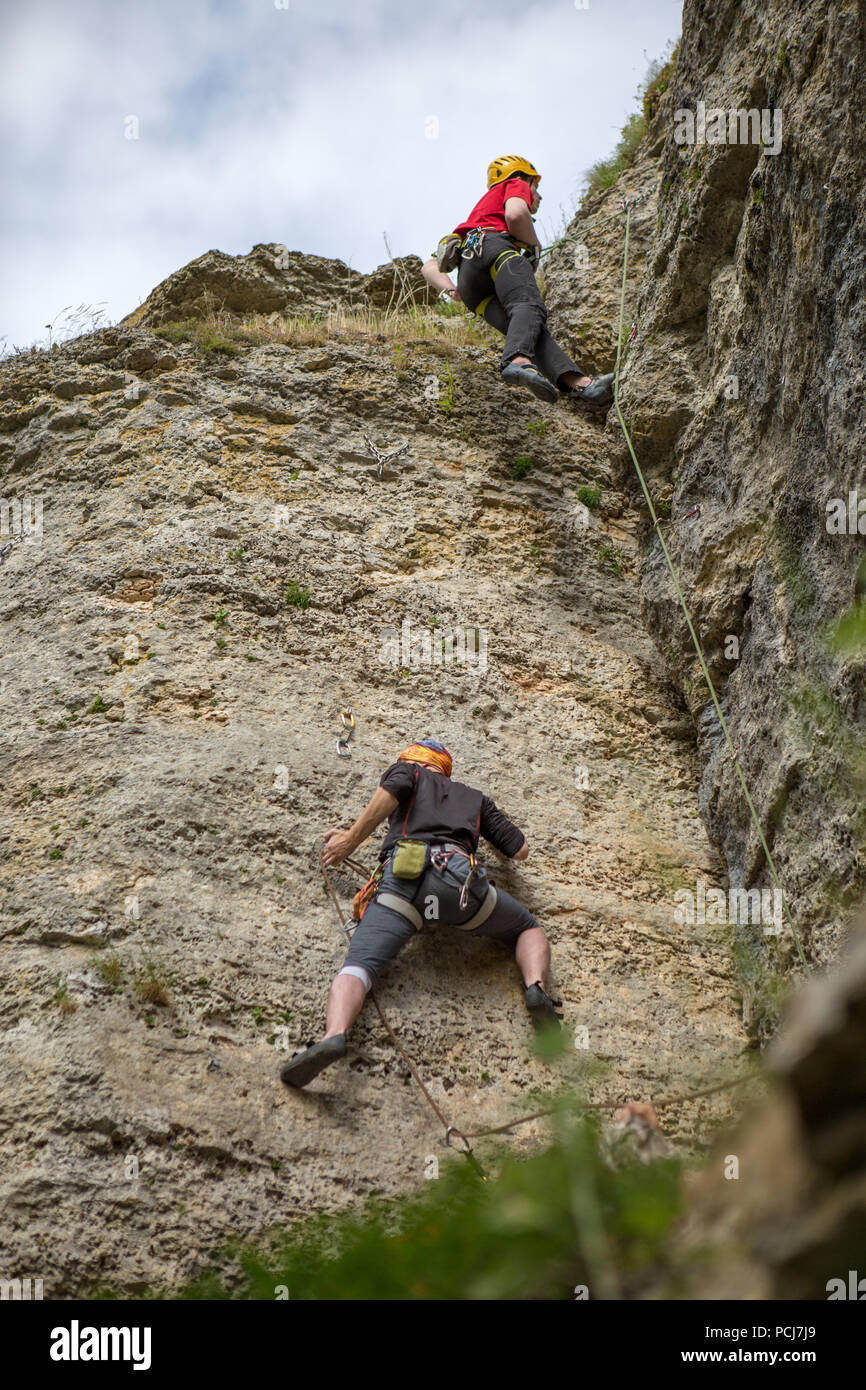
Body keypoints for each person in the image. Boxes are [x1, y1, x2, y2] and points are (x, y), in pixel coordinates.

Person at [280, 738, 563, 1088]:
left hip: (404, 883)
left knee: (358, 967)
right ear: (444, 767)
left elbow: (387, 797)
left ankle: (334, 1035)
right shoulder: (474, 798)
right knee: (526, 927)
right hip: (460, 888)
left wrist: (350, 840)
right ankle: (535, 987)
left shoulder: (407, 771)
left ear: (414, 759)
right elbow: (519, 850)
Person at [421, 155, 615, 409]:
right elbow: (515, 214)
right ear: (523, 177)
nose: (537, 196)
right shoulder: (514, 184)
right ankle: (519, 362)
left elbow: (429, 266)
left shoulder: (471, 223)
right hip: (495, 249)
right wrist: (534, 246)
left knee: (528, 328)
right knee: (529, 305)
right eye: (536, 188)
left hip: (471, 287)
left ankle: (582, 383)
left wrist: (453, 291)